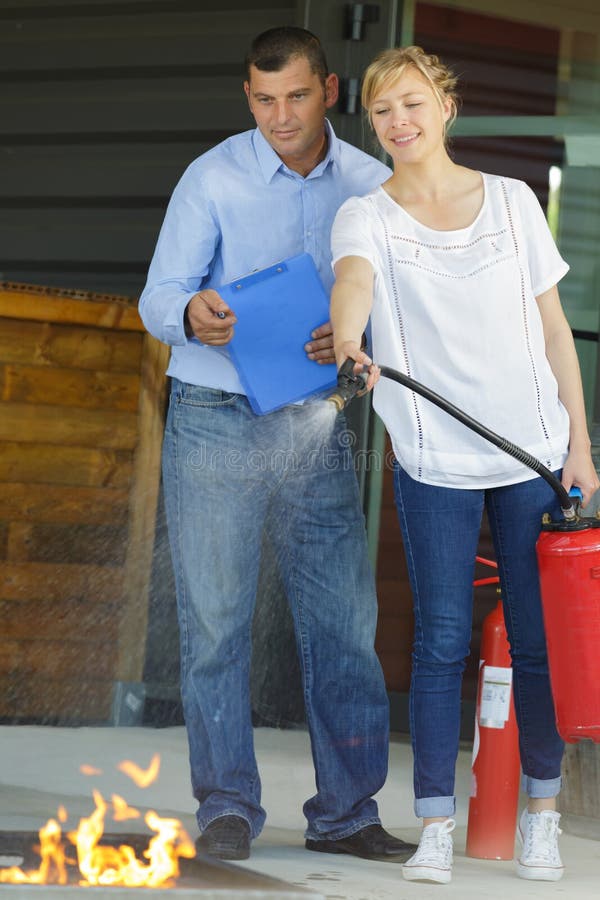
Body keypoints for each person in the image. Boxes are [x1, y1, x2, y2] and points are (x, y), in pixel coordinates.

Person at [138, 26, 417, 864]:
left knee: (342, 622)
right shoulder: (212, 175)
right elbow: (158, 297)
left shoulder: (372, 186)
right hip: (213, 417)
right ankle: (226, 806)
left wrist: (355, 335)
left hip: (314, 422)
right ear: (248, 98)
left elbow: (398, 316)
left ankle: (347, 813)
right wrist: (193, 315)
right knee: (216, 622)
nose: (279, 115)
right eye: (263, 100)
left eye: (295, 96)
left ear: (329, 91)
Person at [329, 45, 599, 885]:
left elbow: (555, 331)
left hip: (532, 454)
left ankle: (542, 817)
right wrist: (347, 340)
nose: (398, 122)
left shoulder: (514, 204)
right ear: (371, 124)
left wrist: (582, 450)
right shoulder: (365, 215)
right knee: (442, 640)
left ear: (445, 106)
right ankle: (437, 827)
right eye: (381, 112)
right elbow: (354, 285)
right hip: (433, 457)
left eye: (411, 103)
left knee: (536, 640)